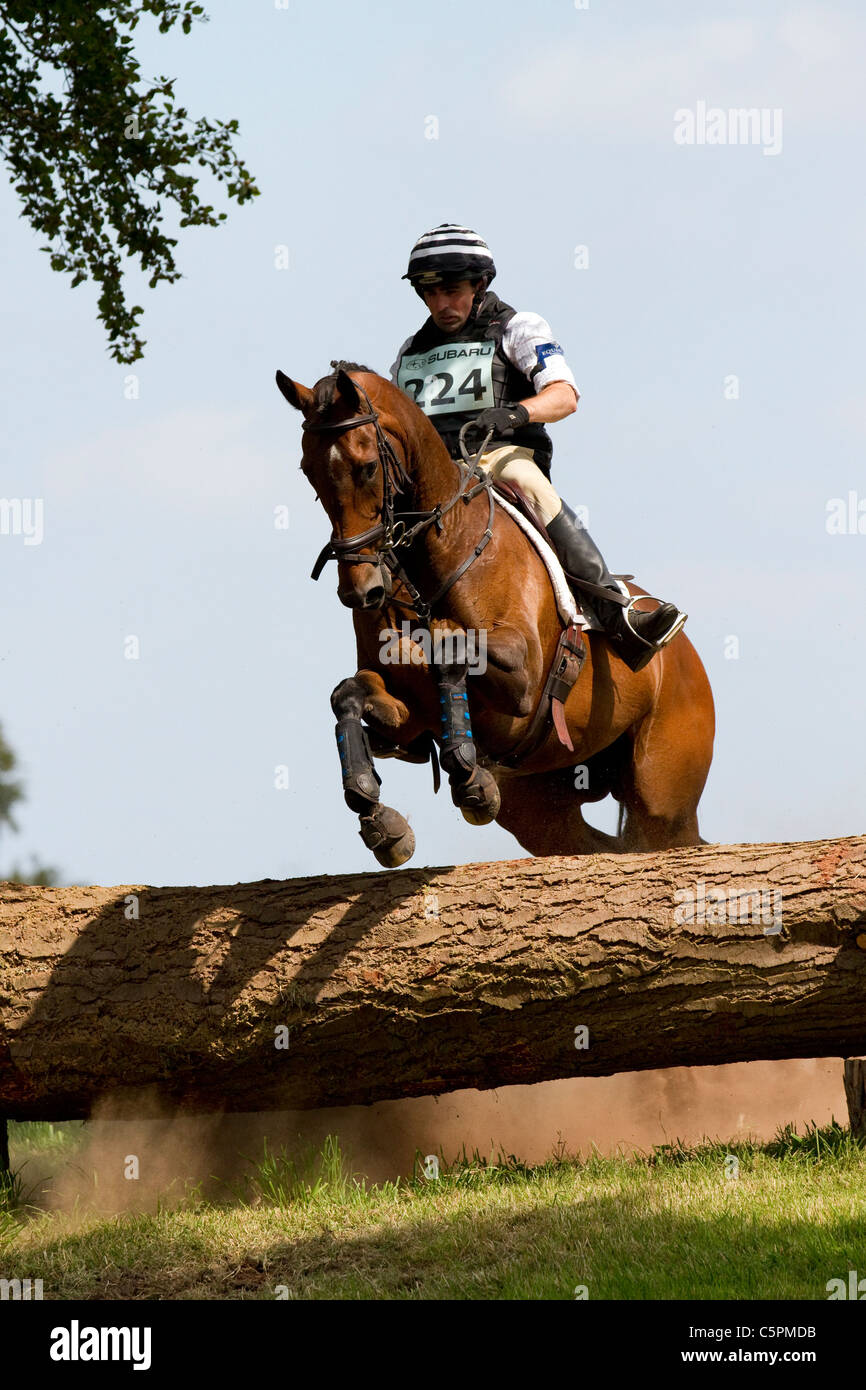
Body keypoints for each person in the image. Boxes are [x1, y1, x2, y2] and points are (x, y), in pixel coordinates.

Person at [389, 223, 686, 671]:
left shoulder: (518, 327)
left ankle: (612, 608)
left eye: (451, 290)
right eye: (429, 294)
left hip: (497, 457)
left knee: (524, 480)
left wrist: (516, 413)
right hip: (433, 479)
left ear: (480, 284)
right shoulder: (411, 351)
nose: (440, 304)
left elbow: (564, 395)